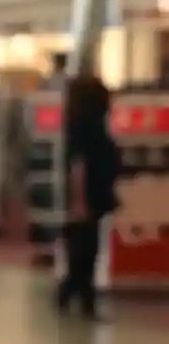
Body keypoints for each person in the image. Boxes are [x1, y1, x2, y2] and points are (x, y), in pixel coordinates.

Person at [58, 73, 120, 319]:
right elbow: (79, 165)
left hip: (89, 192)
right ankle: (80, 298)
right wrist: (79, 200)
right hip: (89, 194)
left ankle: (72, 295)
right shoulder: (88, 125)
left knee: (82, 248)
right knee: (87, 249)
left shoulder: (78, 122)